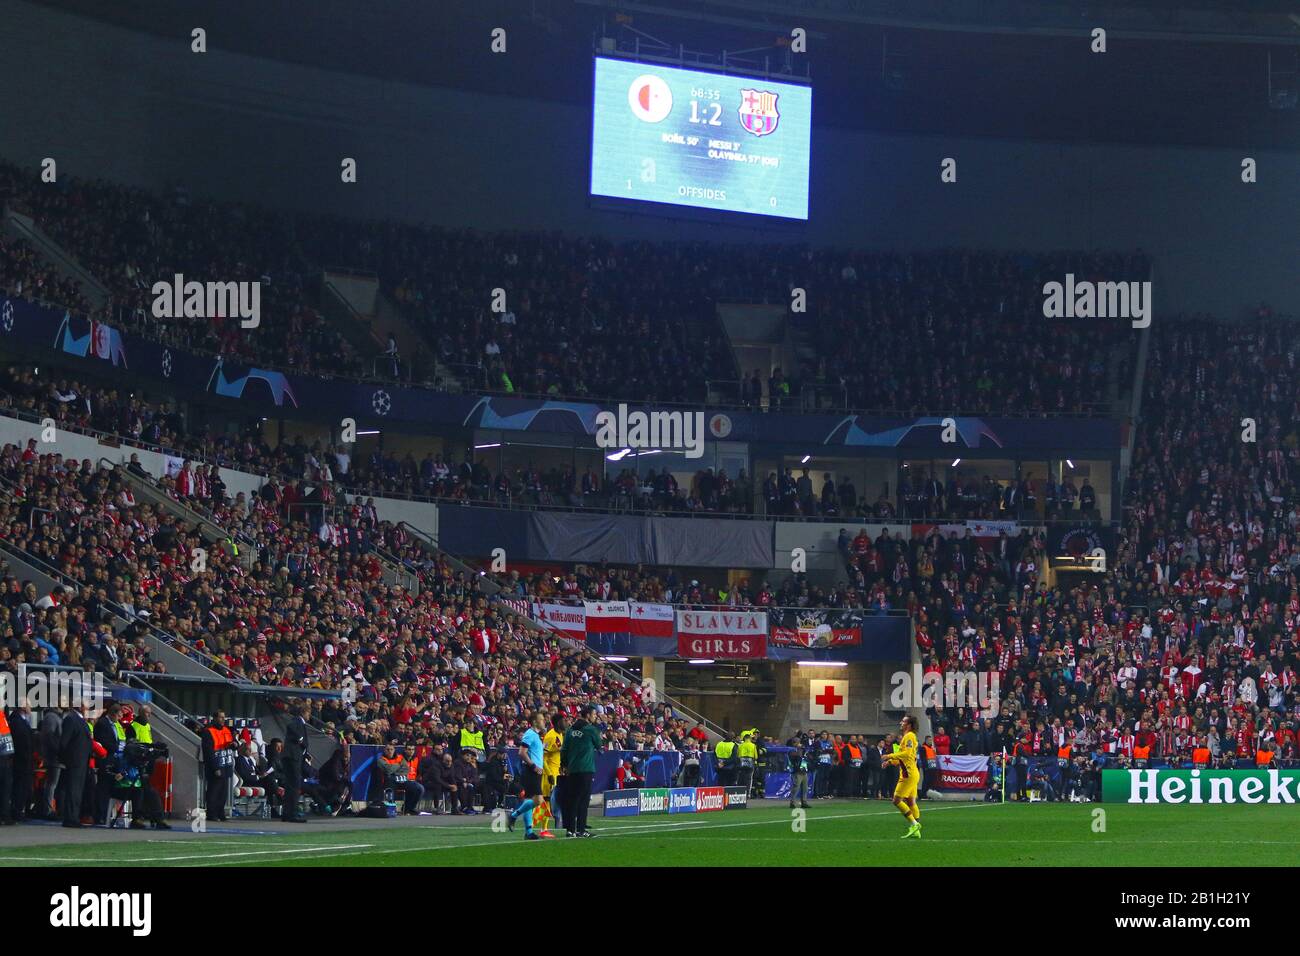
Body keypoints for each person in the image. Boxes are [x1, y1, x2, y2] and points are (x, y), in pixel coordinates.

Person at [507, 711, 550, 839]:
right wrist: (533, 766)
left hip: (535, 771)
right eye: (542, 719)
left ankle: (529, 832)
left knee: (529, 800)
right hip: (531, 771)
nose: (544, 721)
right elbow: (521, 752)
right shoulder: (530, 734)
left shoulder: (536, 735)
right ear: (535, 722)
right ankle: (514, 815)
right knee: (538, 800)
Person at [560, 706, 601, 838]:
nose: (595, 717)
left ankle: (570, 830)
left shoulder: (570, 730)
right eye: (594, 714)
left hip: (572, 769)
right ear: (588, 715)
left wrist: (564, 765)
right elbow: (599, 745)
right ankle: (581, 829)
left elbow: (564, 749)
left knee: (572, 800)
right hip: (586, 768)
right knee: (583, 801)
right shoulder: (590, 729)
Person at [883, 714, 922, 839]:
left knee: (896, 800)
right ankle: (916, 830)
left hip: (908, 774)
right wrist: (890, 762)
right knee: (911, 801)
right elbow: (903, 758)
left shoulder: (909, 736)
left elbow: (907, 754)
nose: (901, 722)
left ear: (909, 725)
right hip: (912, 772)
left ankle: (914, 823)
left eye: (903, 721)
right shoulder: (907, 737)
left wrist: (889, 756)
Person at [58, 703, 94, 828]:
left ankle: (74, 816)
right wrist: (67, 759)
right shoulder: (71, 719)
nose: (88, 710)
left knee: (77, 790)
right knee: (73, 790)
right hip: (75, 761)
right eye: (86, 707)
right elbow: (64, 742)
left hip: (82, 761)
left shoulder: (80, 720)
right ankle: (70, 818)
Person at [200, 710, 237, 822]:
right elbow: (208, 752)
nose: (223, 720)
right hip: (215, 764)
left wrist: (234, 744)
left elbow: (231, 743)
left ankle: (220, 812)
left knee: (223, 791)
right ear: (215, 718)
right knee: (214, 790)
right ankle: (211, 813)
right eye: (220, 717)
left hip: (226, 763)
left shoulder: (226, 730)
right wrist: (215, 767)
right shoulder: (208, 731)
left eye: (223, 717)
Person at [282, 701, 311, 823]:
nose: (309, 716)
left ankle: (287, 812)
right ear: (304, 712)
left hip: (294, 756)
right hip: (293, 757)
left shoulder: (299, 722)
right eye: (309, 713)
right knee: (294, 785)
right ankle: (292, 813)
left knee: (290, 786)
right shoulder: (297, 721)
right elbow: (292, 728)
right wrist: (301, 739)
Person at [542, 713, 566, 833]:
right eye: (564, 720)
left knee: (557, 799)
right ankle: (545, 827)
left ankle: (557, 822)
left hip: (557, 771)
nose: (566, 722)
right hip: (549, 773)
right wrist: (549, 773)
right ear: (557, 722)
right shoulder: (550, 736)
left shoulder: (560, 734)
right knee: (547, 800)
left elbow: (556, 754)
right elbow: (543, 757)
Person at [787, 737, 811, 810]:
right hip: (797, 771)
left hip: (804, 770)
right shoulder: (791, 750)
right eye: (797, 742)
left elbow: (807, 757)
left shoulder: (801, 750)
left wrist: (805, 752)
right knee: (796, 787)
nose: (799, 743)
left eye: (799, 742)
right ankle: (792, 802)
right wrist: (801, 750)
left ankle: (804, 802)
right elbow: (797, 757)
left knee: (805, 788)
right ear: (794, 743)